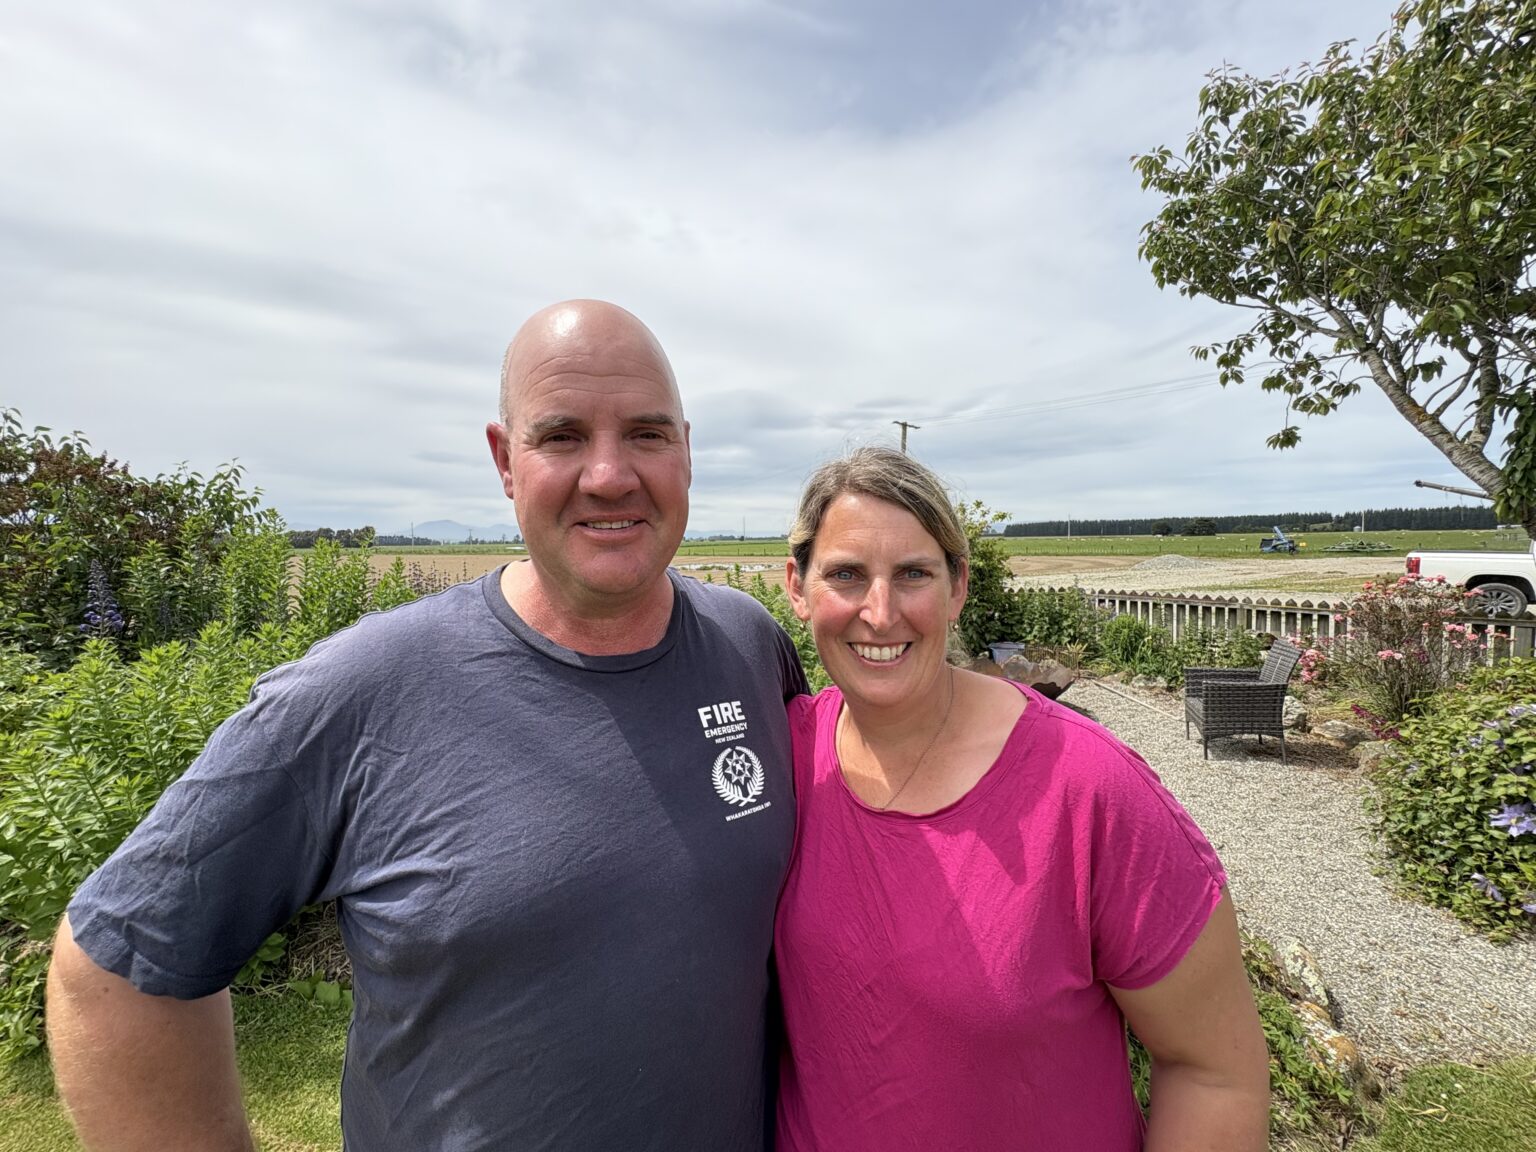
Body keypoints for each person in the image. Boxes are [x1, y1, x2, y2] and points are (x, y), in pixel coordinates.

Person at [46, 300, 807, 1151]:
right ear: (504, 460)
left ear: (687, 451)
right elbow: (111, 970)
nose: (608, 474)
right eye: (561, 436)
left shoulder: (750, 646)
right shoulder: (361, 691)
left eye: (646, 433)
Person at [773, 447, 1270, 1151]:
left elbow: (1215, 1071)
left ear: (957, 587)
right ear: (797, 587)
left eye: (912, 573)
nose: (879, 612)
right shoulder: (781, 761)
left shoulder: (1086, 786)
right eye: (847, 575)